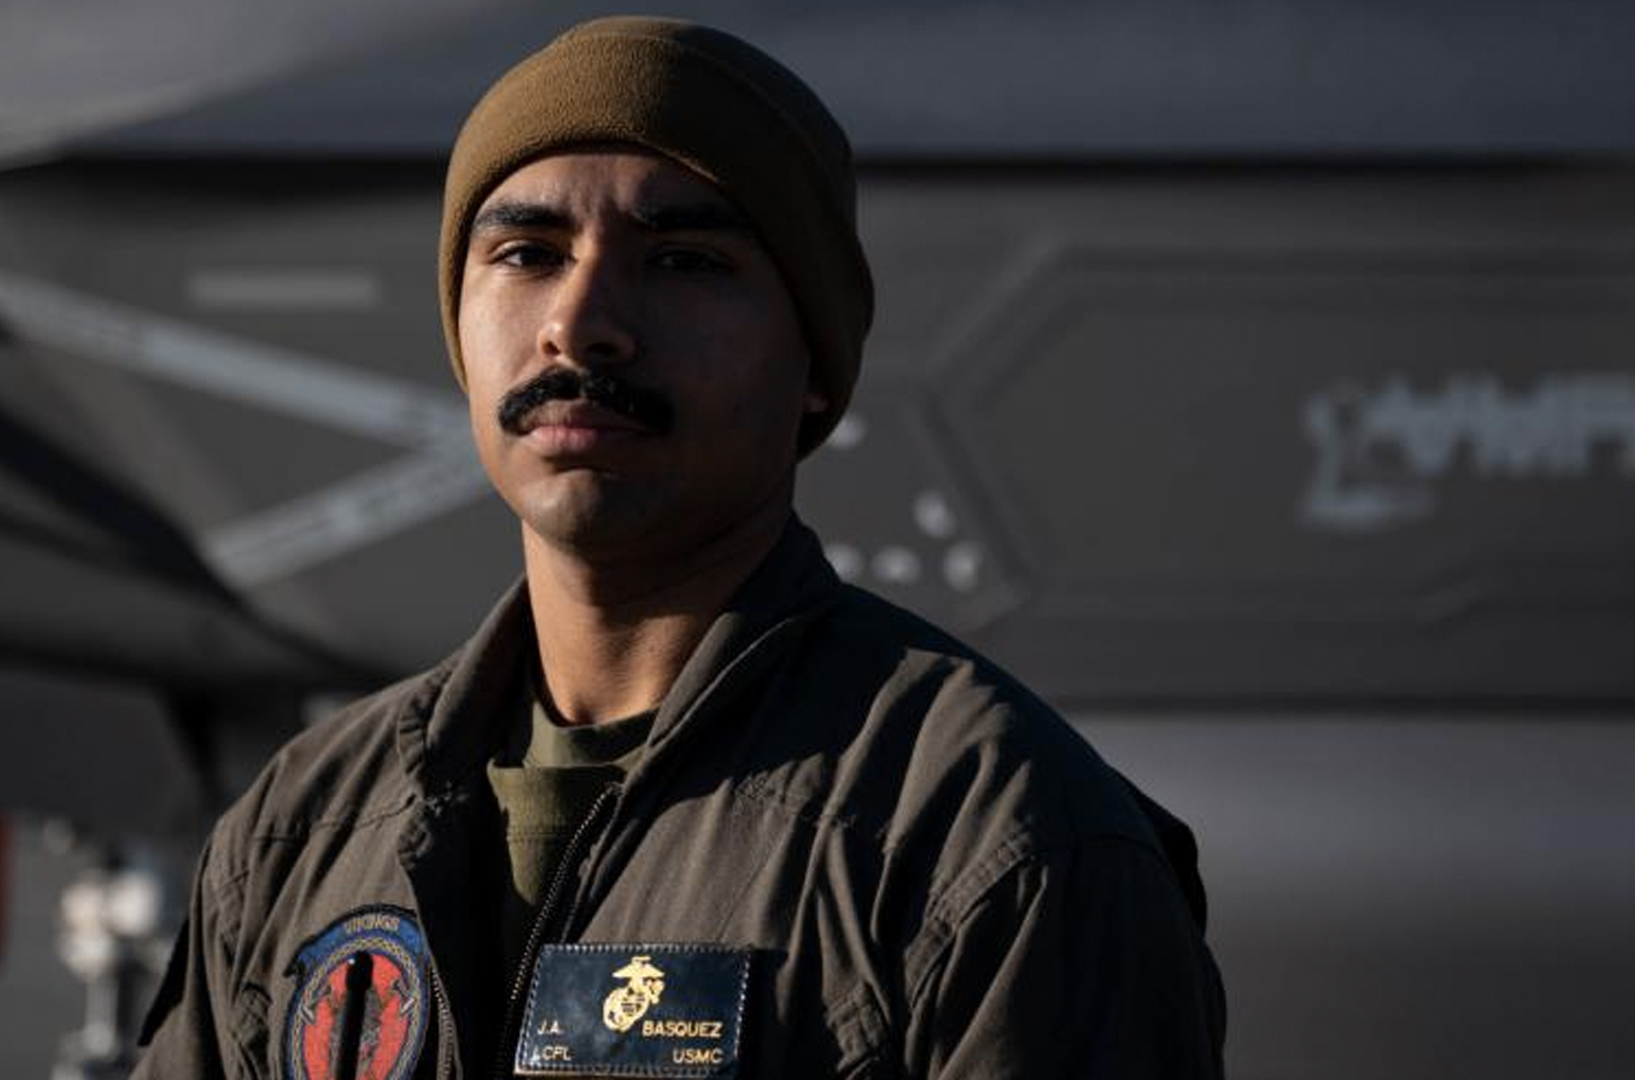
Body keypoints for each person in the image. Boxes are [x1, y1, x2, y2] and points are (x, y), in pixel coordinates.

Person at [133, 15, 1226, 1079]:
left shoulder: (993, 840)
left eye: (685, 260)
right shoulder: (298, 833)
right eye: (525, 252)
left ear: (816, 363)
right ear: (462, 334)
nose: (581, 320)